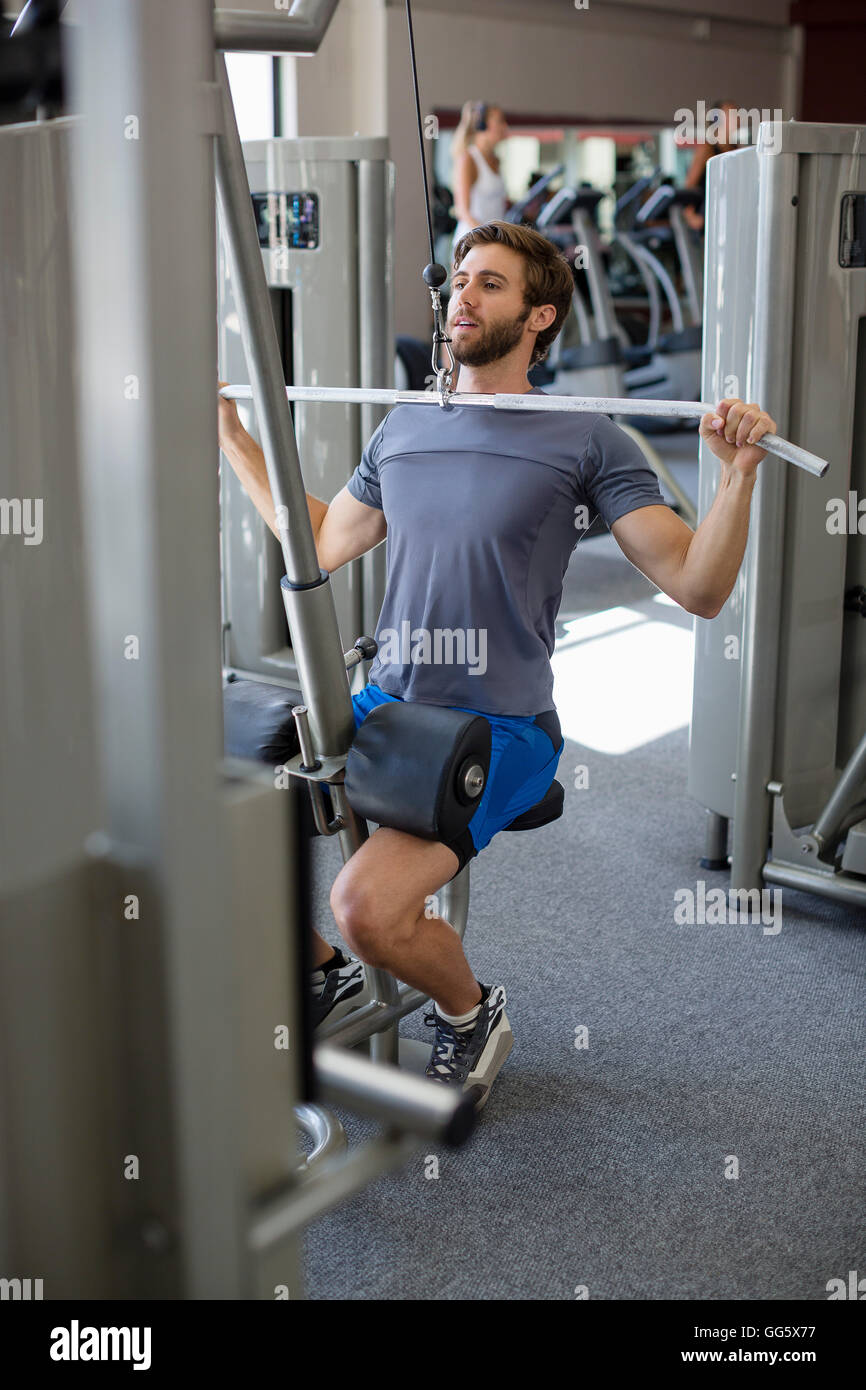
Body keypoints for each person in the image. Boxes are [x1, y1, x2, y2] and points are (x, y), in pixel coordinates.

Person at [217, 221, 776, 1107]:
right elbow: (319, 542)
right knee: (222, 836)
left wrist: (738, 473)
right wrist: (231, 434)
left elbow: (697, 587)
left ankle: (471, 1011)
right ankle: (325, 977)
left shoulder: (587, 440)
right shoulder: (403, 428)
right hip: (386, 706)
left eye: (490, 285)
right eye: (460, 281)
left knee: (366, 908)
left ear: (540, 314)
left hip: (503, 727)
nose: (462, 299)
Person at [450, 101, 509, 252]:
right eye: (499, 121)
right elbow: (462, 210)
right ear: (482, 125)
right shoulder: (469, 159)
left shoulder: (496, 160)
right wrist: (488, 238)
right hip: (472, 243)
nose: (505, 127)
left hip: (492, 243)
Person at [683, 99, 740, 231]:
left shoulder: (736, 149)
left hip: (727, 213)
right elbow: (690, 186)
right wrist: (691, 216)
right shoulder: (707, 148)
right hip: (706, 214)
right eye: (731, 115)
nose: (737, 119)